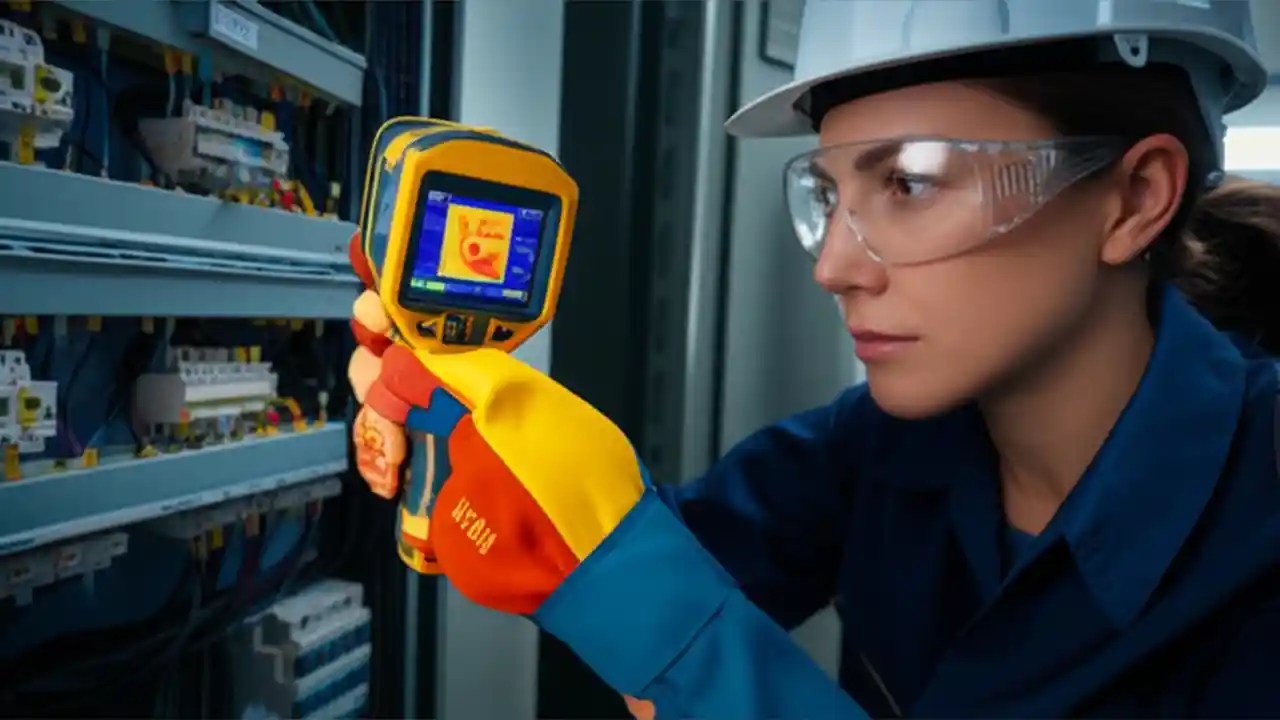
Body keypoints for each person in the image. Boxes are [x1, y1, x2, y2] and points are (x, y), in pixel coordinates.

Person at [350, 0, 1280, 716]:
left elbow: (660, 605)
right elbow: (651, 554)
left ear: (1133, 199)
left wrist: (652, 612)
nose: (835, 267)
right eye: (829, 195)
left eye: (910, 182)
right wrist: (489, 452)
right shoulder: (878, 446)